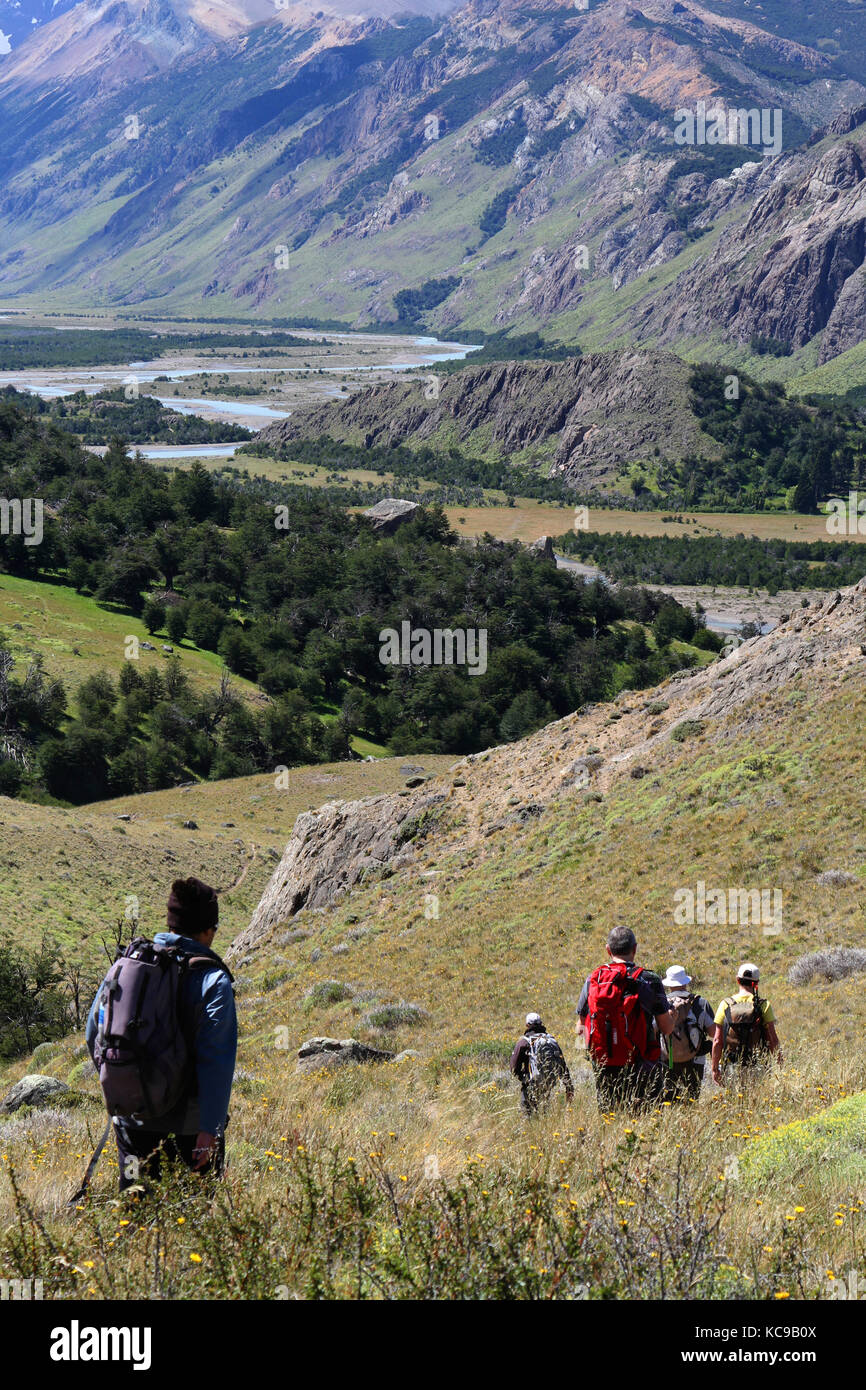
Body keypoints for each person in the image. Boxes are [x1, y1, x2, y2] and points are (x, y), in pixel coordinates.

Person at [86, 877, 237, 1192]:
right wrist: (210, 1129)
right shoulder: (212, 980)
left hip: (130, 1123)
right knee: (193, 1223)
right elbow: (216, 1060)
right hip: (189, 1129)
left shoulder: (130, 964)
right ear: (208, 930)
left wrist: (124, 1083)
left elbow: (93, 1033)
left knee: (135, 1209)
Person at [577, 925, 675, 1110]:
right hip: (643, 1064)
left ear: (608, 950)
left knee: (610, 1118)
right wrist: (671, 1016)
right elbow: (667, 1028)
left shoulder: (593, 980)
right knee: (647, 1119)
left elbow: (581, 1025)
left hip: (605, 1063)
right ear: (635, 949)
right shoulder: (649, 979)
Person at [711, 962, 781, 1085]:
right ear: (756, 983)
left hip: (732, 1065)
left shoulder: (725, 1004)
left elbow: (717, 1040)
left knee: (734, 1101)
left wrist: (715, 1068)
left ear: (738, 980)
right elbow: (772, 1038)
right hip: (758, 1065)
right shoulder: (763, 1005)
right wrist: (779, 1061)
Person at [659, 965, 714, 1102]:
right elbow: (713, 1032)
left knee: (669, 1101)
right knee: (691, 1099)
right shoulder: (700, 1003)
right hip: (696, 1059)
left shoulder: (662, 1003)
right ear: (686, 982)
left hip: (668, 1060)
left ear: (669, 985)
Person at [510, 1012, 574, 1114]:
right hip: (548, 1084)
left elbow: (513, 1067)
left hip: (530, 1084)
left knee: (527, 1115)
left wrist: (522, 1078)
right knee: (544, 1113)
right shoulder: (551, 1040)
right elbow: (562, 1064)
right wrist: (569, 1086)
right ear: (541, 1023)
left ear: (527, 1025)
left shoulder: (524, 1042)